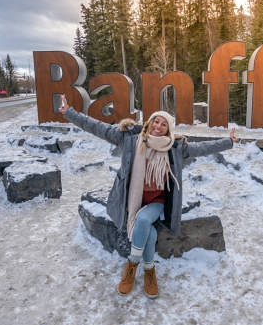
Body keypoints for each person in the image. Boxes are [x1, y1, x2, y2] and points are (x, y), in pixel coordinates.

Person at [59, 95, 238, 299]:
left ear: (168, 130)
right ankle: (149, 271)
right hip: (132, 201)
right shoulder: (129, 139)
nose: (158, 126)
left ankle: (131, 266)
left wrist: (228, 142)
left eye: (164, 124)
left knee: (144, 220)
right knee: (149, 235)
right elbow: (97, 127)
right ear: (149, 122)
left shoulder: (175, 148)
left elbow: (203, 148)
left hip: (157, 203)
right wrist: (69, 113)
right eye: (156, 121)